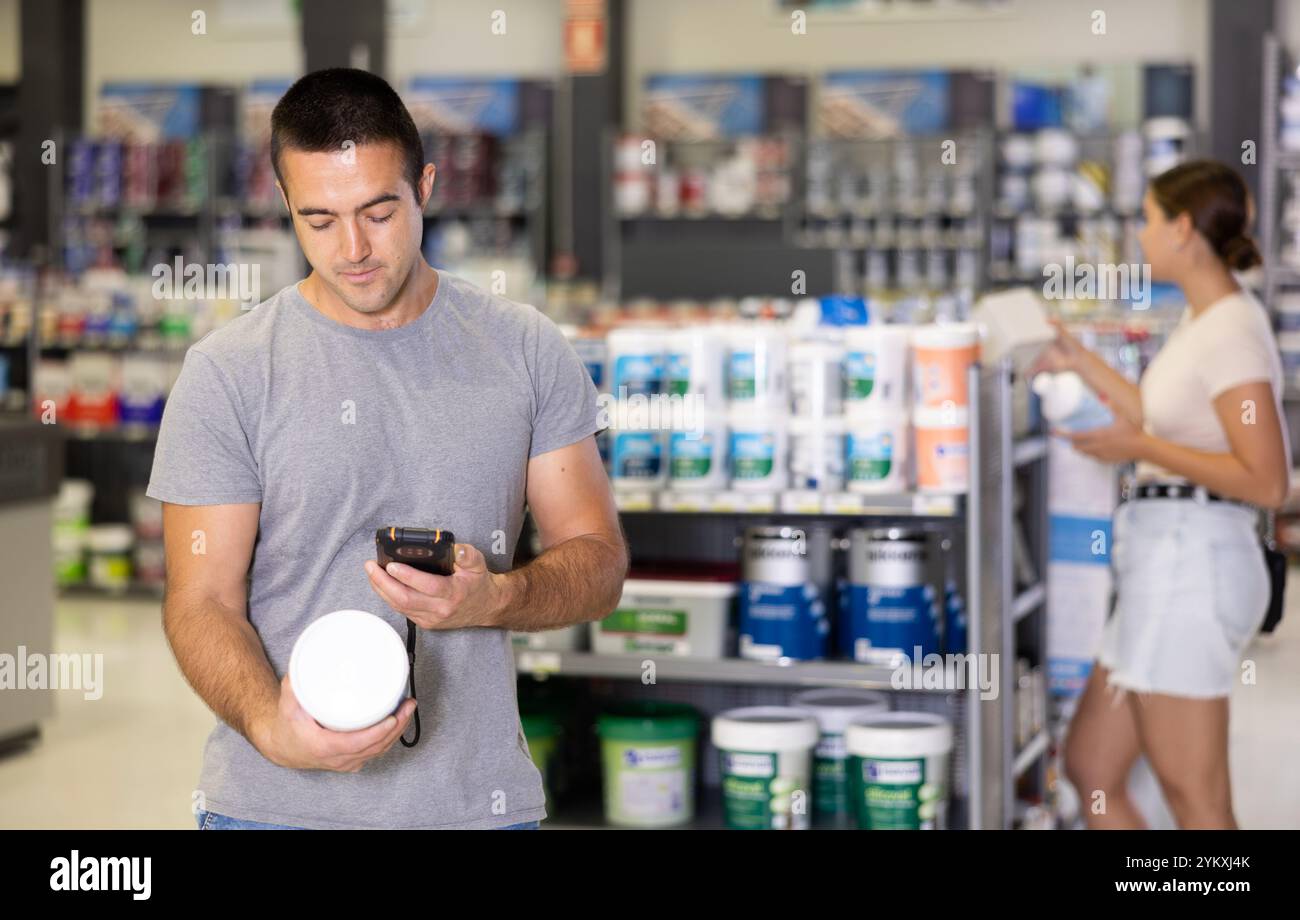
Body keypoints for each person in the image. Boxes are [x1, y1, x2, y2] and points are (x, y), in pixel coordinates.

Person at [148, 68, 628, 830]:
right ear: (285, 205)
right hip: (274, 811)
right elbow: (200, 600)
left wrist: (496, 598)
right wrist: (272, 726)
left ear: (426, 186)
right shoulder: (228, 372)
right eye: (320, 219)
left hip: (477, 808)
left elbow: (598, 561)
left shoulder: (525, 349)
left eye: (379, 211)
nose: (353, 249)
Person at [1033, 160, 1289, 829]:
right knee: (1092, 769)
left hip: (1191, 573)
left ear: (1182, 229)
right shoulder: (1204, 321)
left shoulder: (1230, 328)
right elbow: (1154, 412)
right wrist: (1077, 358)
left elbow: (1267, 479)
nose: (1137, 235)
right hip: (1161, 567)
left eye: (1146, 219)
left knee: (1196, 801)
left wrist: (1137, 449)